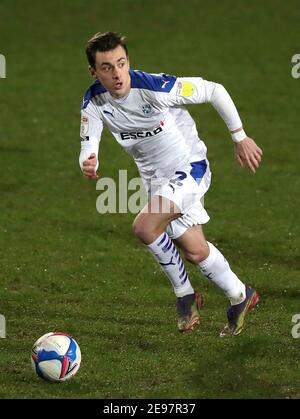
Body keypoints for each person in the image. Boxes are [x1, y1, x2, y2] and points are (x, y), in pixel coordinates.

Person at [79, 31, 263, 336]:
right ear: (94, 72)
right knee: (195, 250)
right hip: (156, 181)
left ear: (128, 62)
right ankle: (239, 295)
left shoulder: (156, 87)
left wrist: (239, 137)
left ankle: (185, 295)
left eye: (121, 63)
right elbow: (88, 144)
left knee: (145, 227)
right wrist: (90, 160)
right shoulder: (94, 102)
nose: (117, 73)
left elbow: (214, 90)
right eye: (107, 67)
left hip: (189, 168)